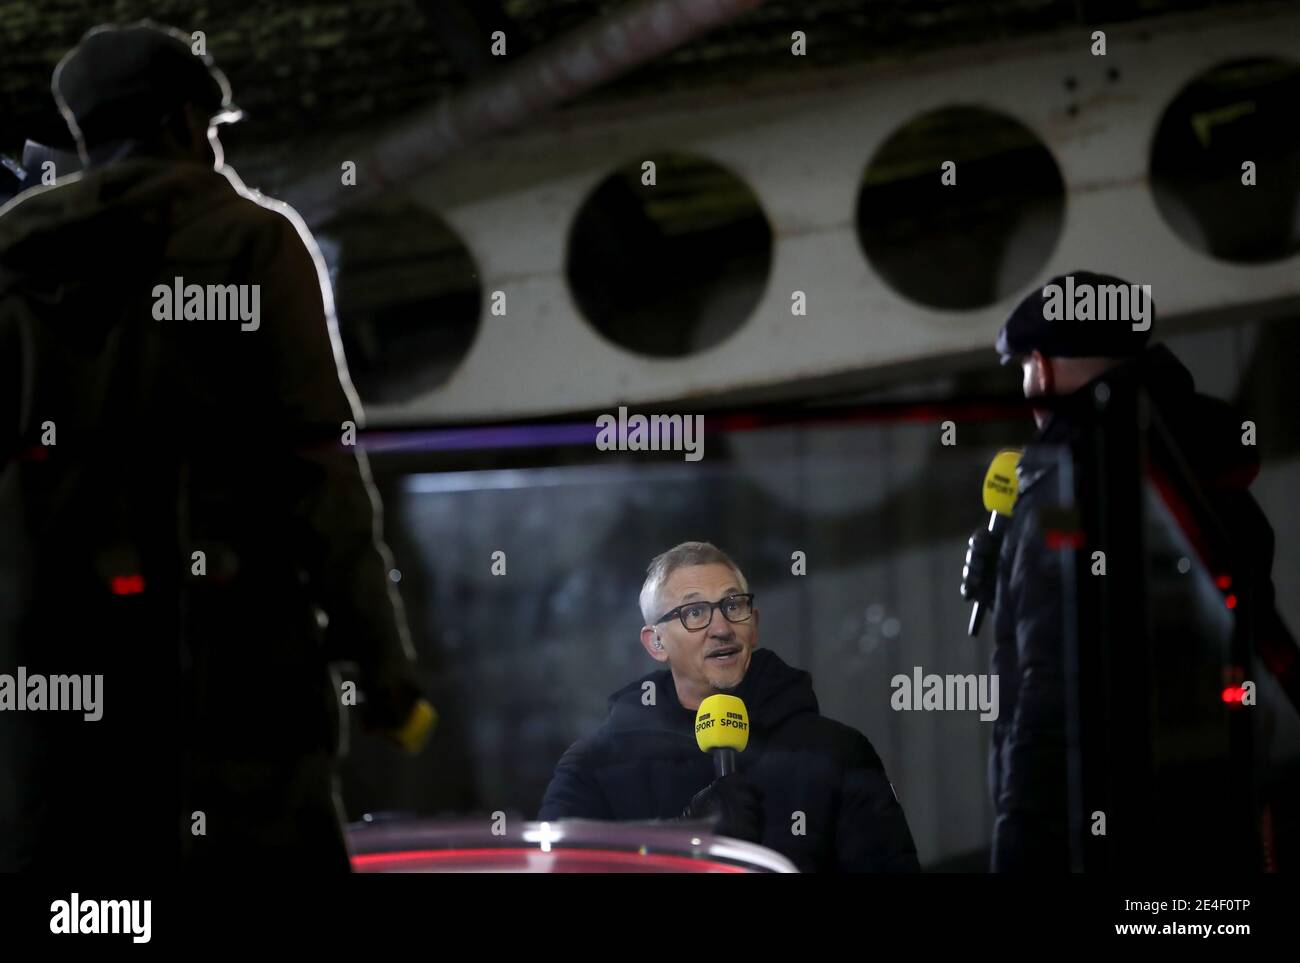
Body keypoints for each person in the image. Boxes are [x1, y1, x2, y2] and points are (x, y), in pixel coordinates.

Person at [0, 21, 429, 872]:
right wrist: (385, 673)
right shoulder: (248, 241)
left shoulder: (13, 258)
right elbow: (320, 472)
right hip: (230, 672)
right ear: (186, 120)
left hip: (48, 682)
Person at [962, 270, 1282, 871]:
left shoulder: (1067, 488)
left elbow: (1050, 693)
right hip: (1215, 817)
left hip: (1098, 837)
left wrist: (1022, 851)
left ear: (1044, 368)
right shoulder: (1203, 462)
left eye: (1025, 369)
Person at [538, 541, 920, 872]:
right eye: (694, 612)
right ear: (655, 643)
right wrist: (680, 840)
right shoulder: (593, 768)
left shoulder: (837, 754)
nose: (721, 628)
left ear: (753, 624)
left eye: (732, 606)